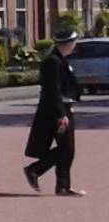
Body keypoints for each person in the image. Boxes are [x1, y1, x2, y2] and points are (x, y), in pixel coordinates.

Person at [25, 24, 84, 196]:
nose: (75, 45)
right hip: (55, 112)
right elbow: (53, 91)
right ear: (67, 43)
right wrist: (61, 114)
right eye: (73, 42)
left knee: (68, 149)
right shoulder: (52, 62)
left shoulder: (61, 60)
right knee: (66, 148)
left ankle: (63, 186)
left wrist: (69, 106)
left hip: (64, 108)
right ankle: (35, 170)